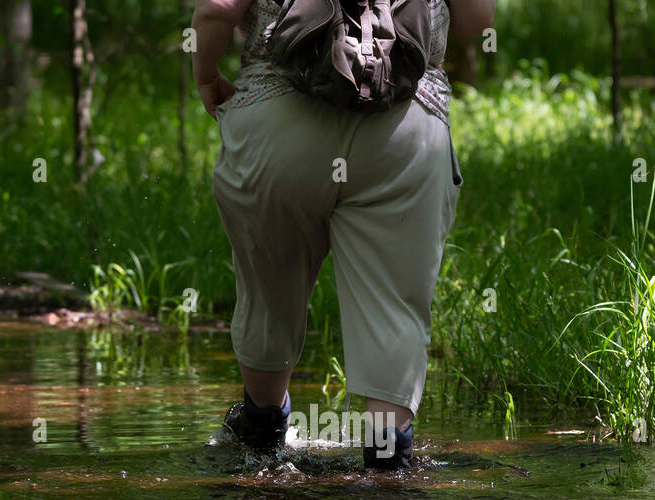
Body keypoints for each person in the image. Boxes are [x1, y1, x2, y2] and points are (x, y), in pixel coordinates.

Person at [192, 0, 495, 470]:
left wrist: (206, 76)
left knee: (269, 288)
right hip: (405, 124)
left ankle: (262, 434)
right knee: (394, 307)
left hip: (278, 115)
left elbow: (217, 9)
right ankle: (388, 463)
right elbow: (478, 22)